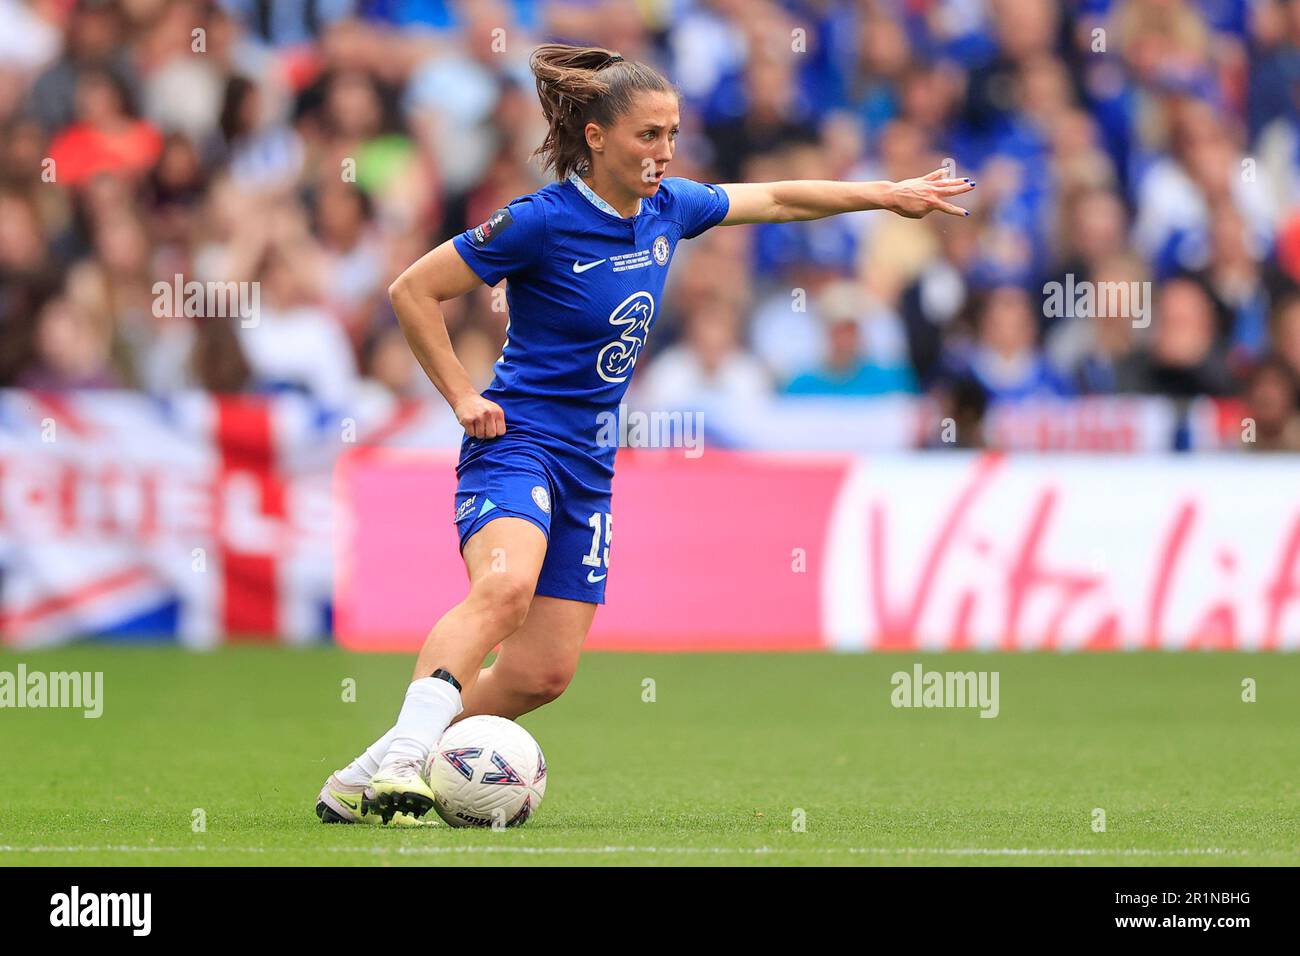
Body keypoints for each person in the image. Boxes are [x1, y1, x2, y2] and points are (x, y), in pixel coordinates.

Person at [317, 43, 975, 824]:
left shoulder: (670, 209)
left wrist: (884, 194)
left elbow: (777, 200)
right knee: (503, 589)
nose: (665, 152)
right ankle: (401, 761)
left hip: (590, 466)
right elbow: (413, 289)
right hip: (516, 442)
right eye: (647, 136)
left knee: (543, 673)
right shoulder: (540, 221)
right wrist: (461, 395)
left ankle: (376, 765)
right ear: (596, 138)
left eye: (671, 134)